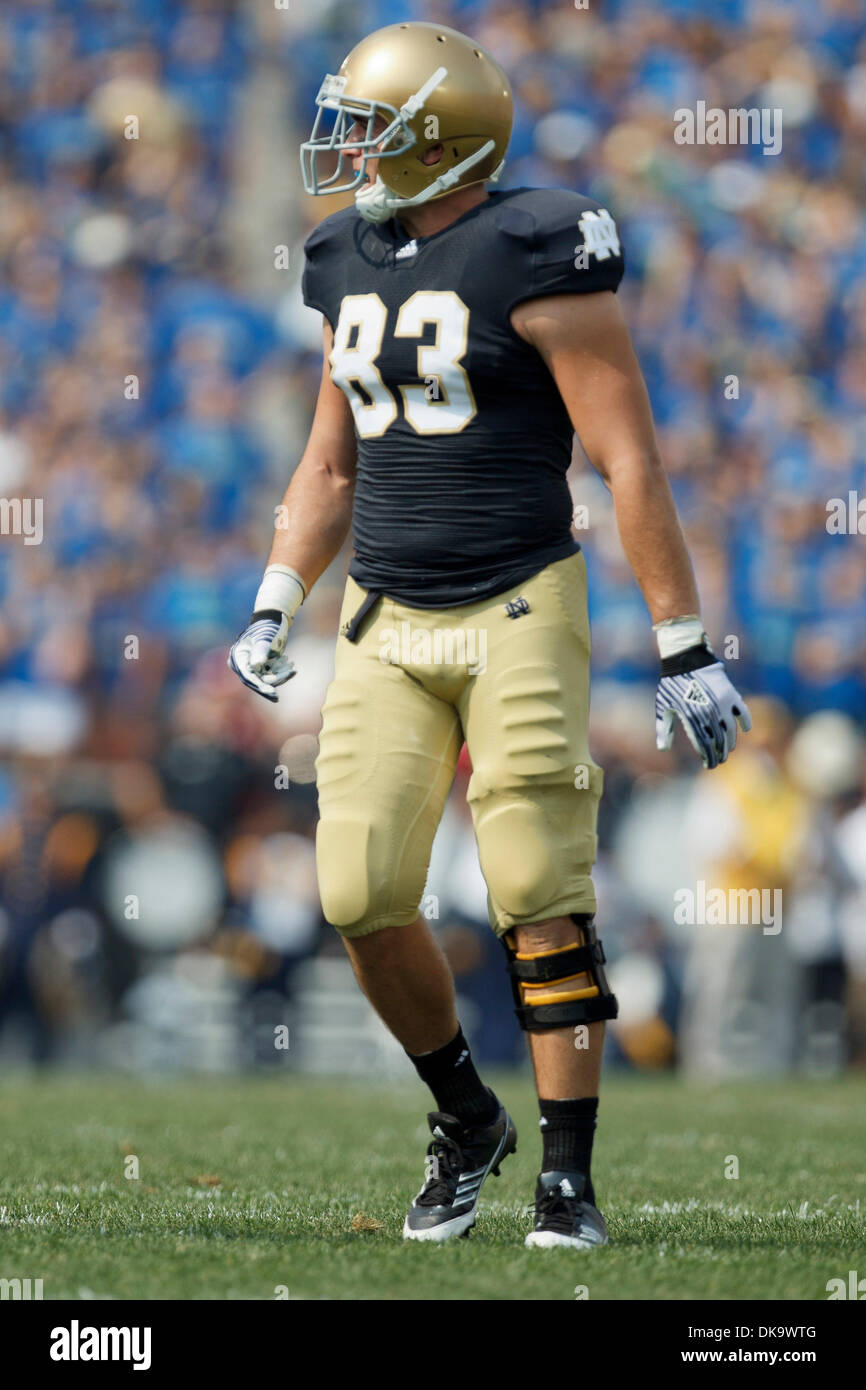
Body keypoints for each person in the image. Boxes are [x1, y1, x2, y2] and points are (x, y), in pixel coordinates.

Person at [229, 21, 751, 1248]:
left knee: (532, 887)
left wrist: (680, 637)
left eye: (370, 122)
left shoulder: (535, 251)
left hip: (519, 598)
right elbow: (327, 455)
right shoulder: (344, 256)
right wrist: (274, 592)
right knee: (357, 889)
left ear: (438, 137)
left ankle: (565, 1176)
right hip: (382, 616)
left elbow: (627, 456)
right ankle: (466, 1119)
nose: (347, 144)